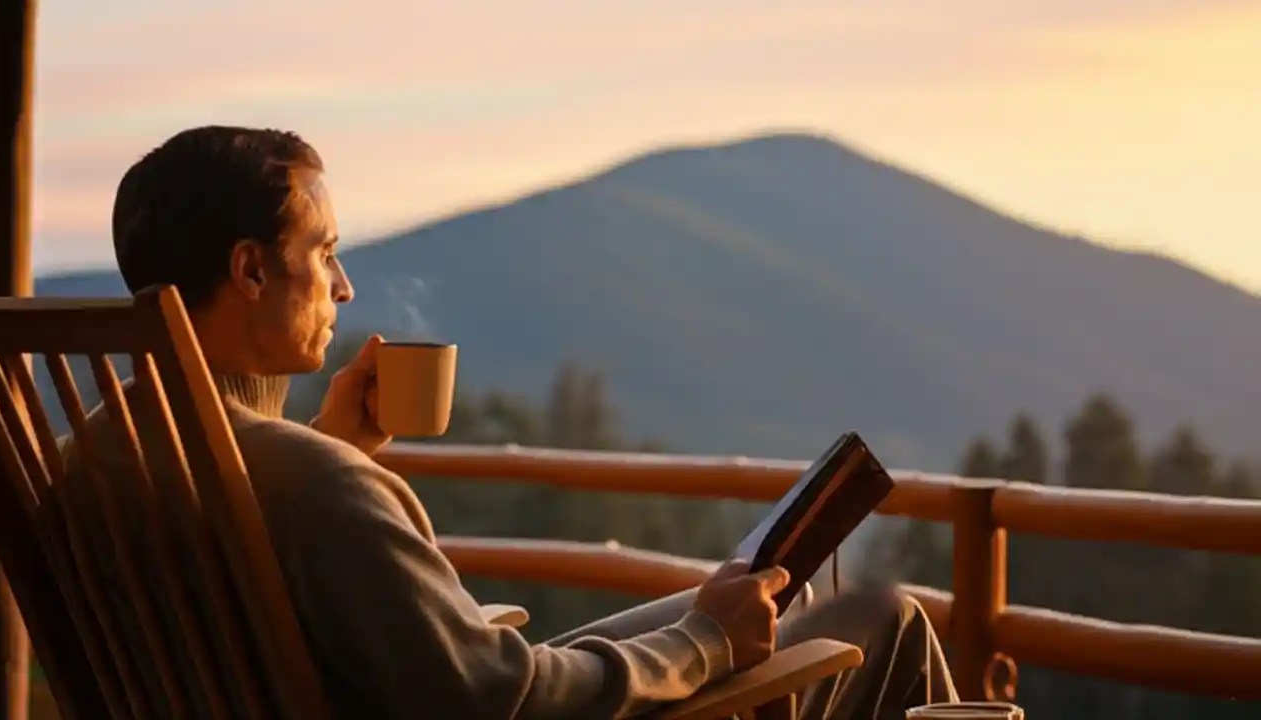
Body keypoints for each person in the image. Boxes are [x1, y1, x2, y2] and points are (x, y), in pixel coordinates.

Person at [73, 125, 956, 719]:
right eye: (324, 254)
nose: (344, 288)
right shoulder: (311, 488)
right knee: (882, 617)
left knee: (795, 596)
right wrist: (705, 640)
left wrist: (334, 445)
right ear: (250, 272)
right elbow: (499, 701)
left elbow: (261, 574)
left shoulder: (100, 458)